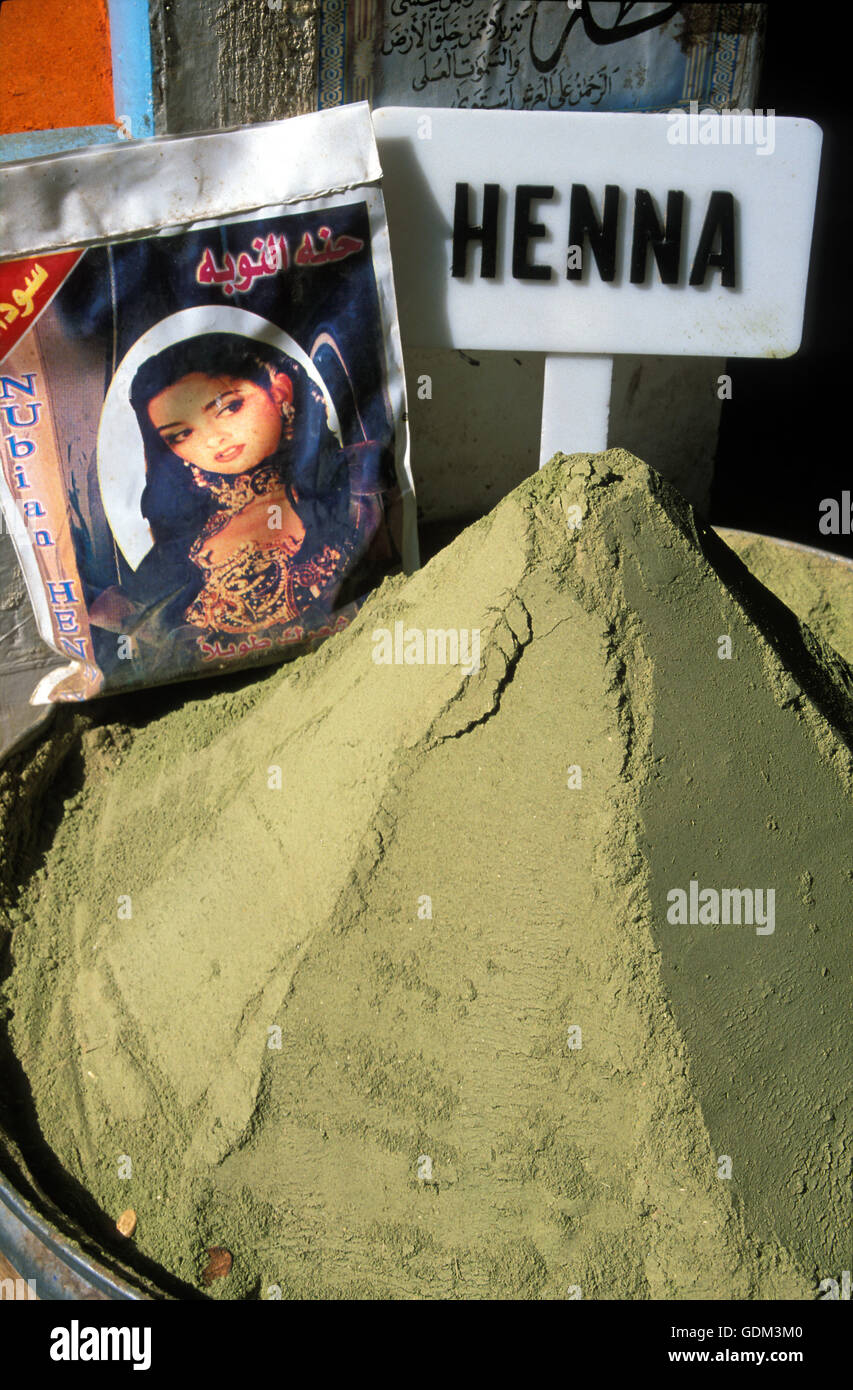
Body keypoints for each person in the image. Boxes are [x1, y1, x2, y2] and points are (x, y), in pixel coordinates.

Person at [90, 332, 391, 672]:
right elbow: (119, 631)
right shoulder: (182, 549)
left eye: (229, 407)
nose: (214, 439)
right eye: (182, 433)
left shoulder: (360, 481)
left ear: (280, 390)